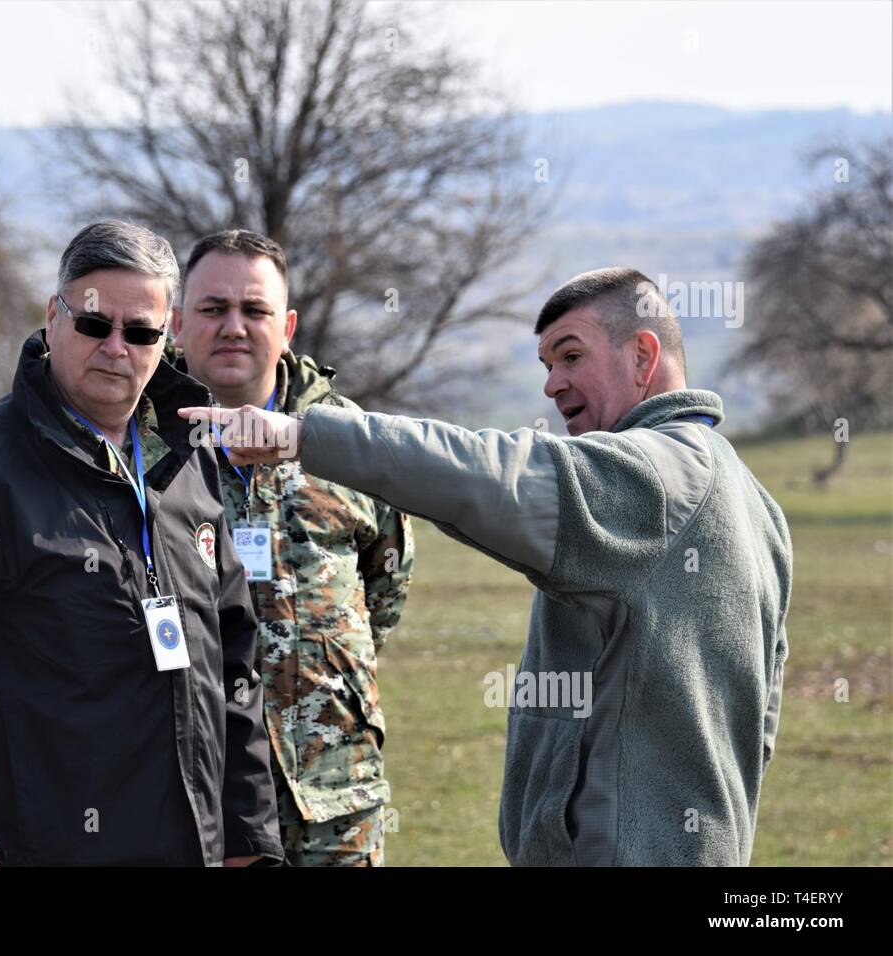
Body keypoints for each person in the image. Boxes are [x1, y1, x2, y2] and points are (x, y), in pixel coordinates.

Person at [182, 267, 792, 866]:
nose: (552, 385)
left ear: (643, 355)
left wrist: (302, 436)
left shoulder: (649, 477)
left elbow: (485, 473)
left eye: (571, 356)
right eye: (546, 365)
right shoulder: (758, 504)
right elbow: (760, 724)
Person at [0, 221, 282, 867]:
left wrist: (248, 838)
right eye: (95, 324)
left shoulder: (187, 457)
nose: (116, 347)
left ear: (168, 333)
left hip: (193, 844)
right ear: (54, 316)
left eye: (141, 332)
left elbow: (234, 659)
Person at [170, 230, 414, 866]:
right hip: (192, 800)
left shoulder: (346, 442)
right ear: (174, 322)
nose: (233, 327)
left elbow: (384, 589)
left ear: (288, 327)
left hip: (333, 792)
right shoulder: (137, 445)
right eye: (212, 309)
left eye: (255, 311)